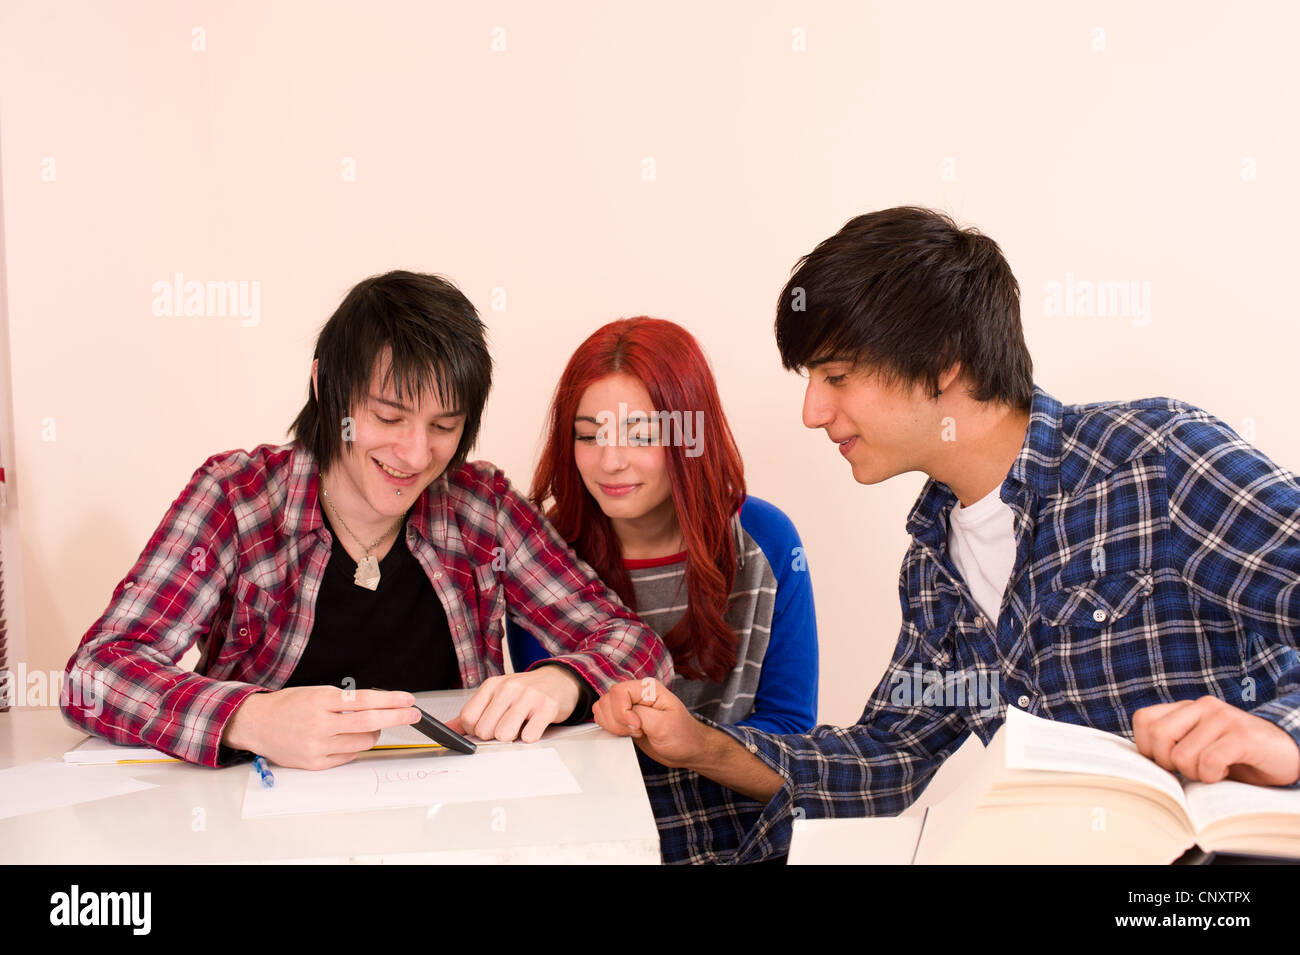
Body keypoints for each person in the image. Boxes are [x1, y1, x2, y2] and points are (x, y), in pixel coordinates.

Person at [593, 207, 1300, 864]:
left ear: (943, 363)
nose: (813, 411)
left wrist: (1283, 734)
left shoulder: (1157, 462)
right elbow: (886, 759)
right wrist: (698, 744)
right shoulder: (933, 563)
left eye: (836, 376)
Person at [61, 271, 672, 770]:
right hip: (258, 828)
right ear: (327, 387)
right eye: (388, 417)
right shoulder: (237, 498)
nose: (413, 454)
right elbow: (95, 673)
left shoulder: (478, 506)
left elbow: (633, 644)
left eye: (443, 427)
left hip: (452, 825)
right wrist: (251, 718)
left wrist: (563, 682)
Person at [509, 317, 818, 735]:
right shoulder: (540, 556)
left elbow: (789, 729)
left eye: (641, 436)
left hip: (737, 800)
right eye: (588, 436)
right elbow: (552, 737)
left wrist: (693, 748)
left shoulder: (766, 540)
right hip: (600, 800)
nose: (611, 462)